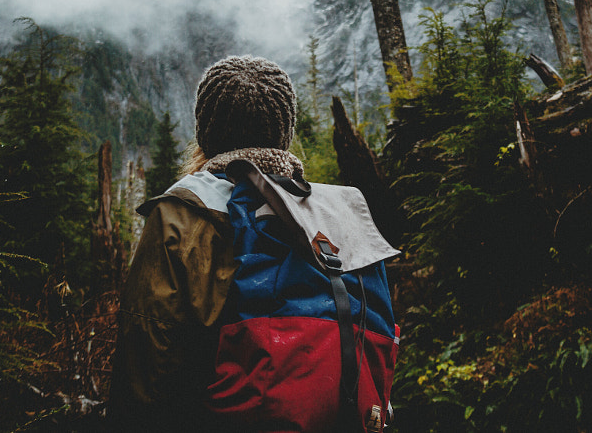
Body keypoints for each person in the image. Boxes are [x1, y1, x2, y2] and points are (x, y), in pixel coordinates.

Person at [108, 55, 397, 432]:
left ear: (206, 131)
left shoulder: (180, 215)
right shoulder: (333, 215)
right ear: (284, 131)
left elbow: (145, 362)